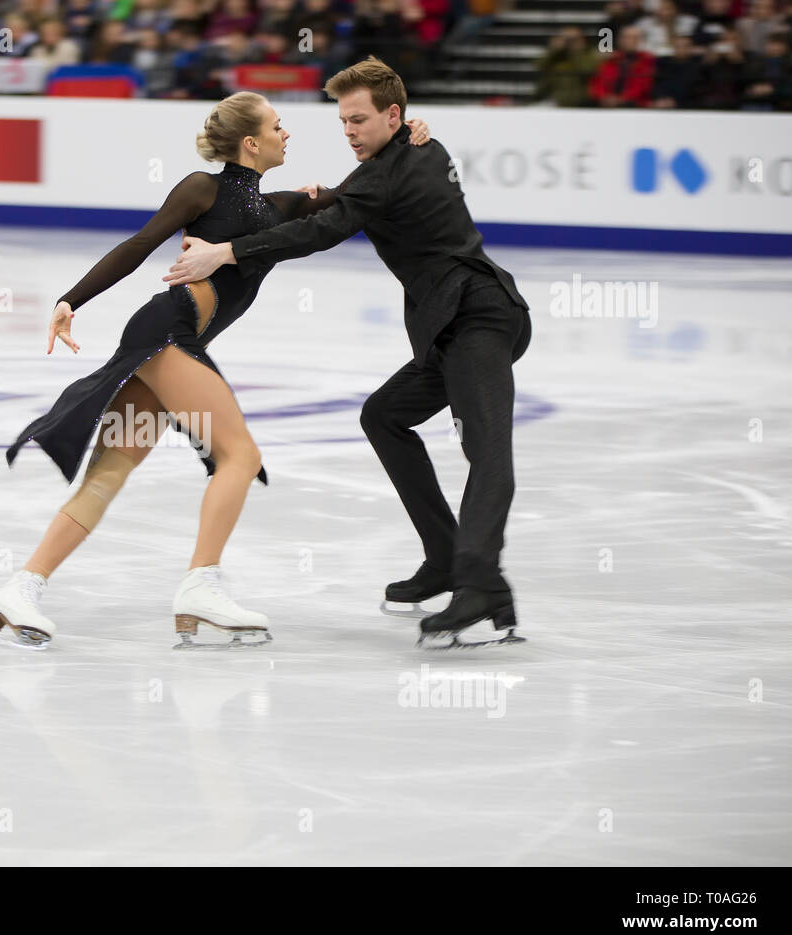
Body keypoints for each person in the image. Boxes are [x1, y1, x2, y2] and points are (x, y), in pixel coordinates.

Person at [0, 92, 430, 651]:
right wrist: (72, 300)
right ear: (251, 142)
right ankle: (201, 584)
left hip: (167, 344)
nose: (288, 135)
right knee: (239, 456)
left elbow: (360, 195)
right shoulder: (202, 188)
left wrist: (407, 138)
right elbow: (140, 243)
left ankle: (20, 589)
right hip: (167, 334)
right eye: (278, 127)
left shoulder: (282, 206)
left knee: (107, 476)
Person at [166, 56, 531, 648]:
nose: (349, 131)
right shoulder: (418, 149)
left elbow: (320, 232)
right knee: (384, 415)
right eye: (343, 122)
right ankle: (444, 559)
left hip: (481, 316)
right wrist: (329, 194)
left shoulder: (392, 168)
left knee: (487, 450)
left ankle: (481, 585)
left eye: (359, 119)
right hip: (448, 324)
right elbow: (356, 200)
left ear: (393, 115)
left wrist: (226, 250)